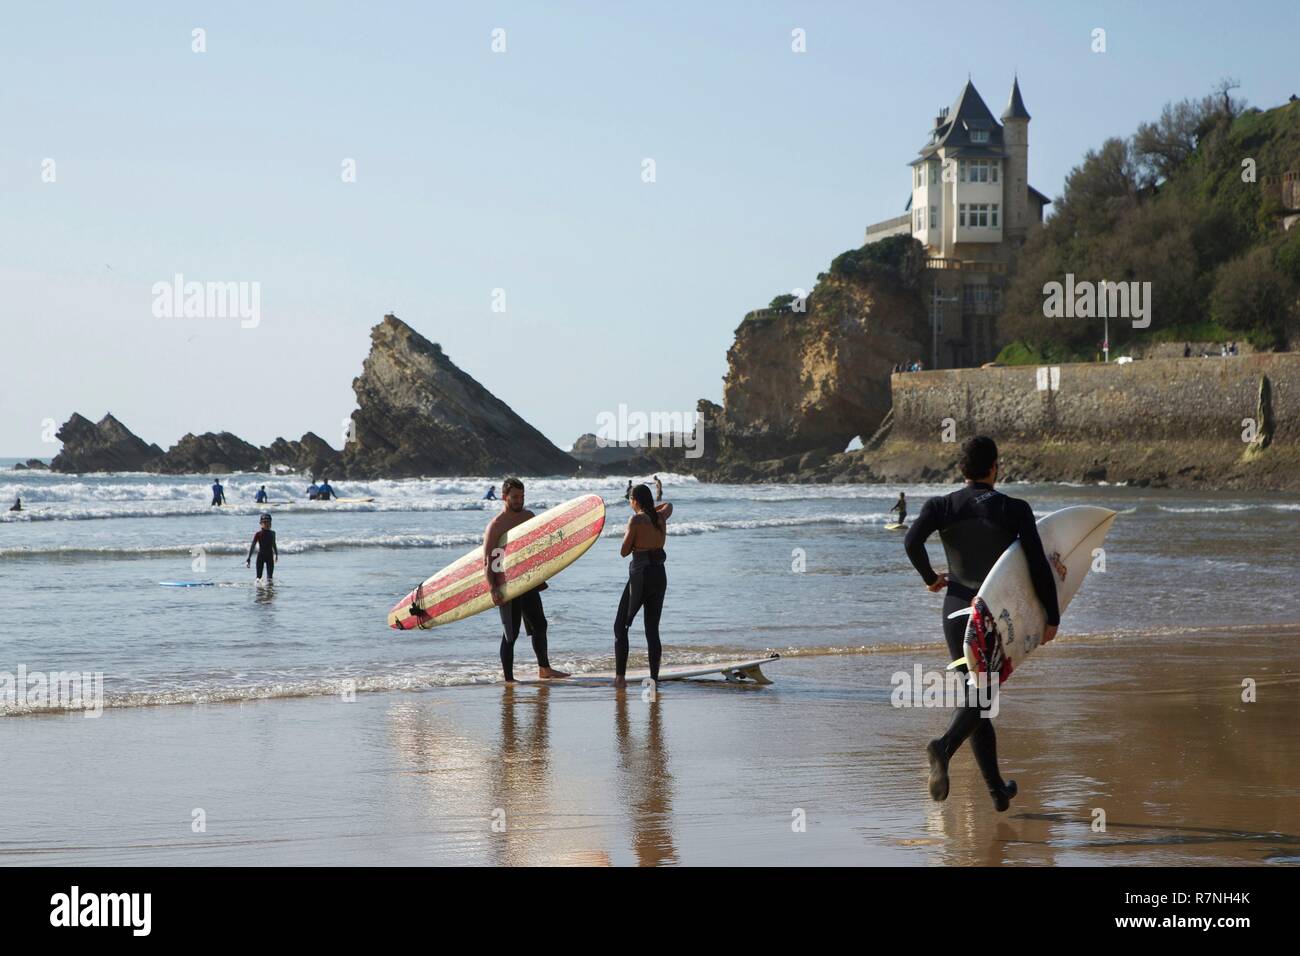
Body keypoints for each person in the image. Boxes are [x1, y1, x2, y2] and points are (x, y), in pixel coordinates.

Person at [903, 436, 1060, 812]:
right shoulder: (1014, 509)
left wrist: (930, 578)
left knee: (978, 698)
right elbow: (1037, 564)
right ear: (995, 467)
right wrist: (1051, 614)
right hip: (991, 615)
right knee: (983, 697)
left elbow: (911, 541)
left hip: (956, 615)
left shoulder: (940, 506)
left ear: (962, 470)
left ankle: (997, 791)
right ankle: (943, 747)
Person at [484, 477, 568, 682]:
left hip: (527, 582)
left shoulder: (529, 516)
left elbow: (536, 549)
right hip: (508, 585)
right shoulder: (496, 525)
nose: (519, 500)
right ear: (504, 497)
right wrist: (493, 588)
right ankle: (509, 679)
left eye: (522, 496)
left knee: (540, 624)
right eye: (514, 497)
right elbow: (489, 559)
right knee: (510, 634)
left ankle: (544, 669)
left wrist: (540, 576)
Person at [614, 485, 671, 688]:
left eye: (630, 499)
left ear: (635, 501)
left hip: (641, 577)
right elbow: (669, 506)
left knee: (621, 626)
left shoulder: (636, 520)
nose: (630, 503)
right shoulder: (661, 517)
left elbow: (624, 551)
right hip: (659, 576)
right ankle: (654, 679)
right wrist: (653, 509)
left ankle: (620, 679)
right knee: (652, 629)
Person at [245, 513, 279, 583]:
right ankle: (259, 591)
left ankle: (269, 592)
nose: (267, 524)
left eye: (269, 522)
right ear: (261, 523)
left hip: (270, 556)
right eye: (265, 522)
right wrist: (249, 557)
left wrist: (276, 554)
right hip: (261, 556)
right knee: (258, 578)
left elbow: (273, 544)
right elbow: (253, 546)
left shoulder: (273, 533)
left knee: (270, 578)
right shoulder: (258, 534)